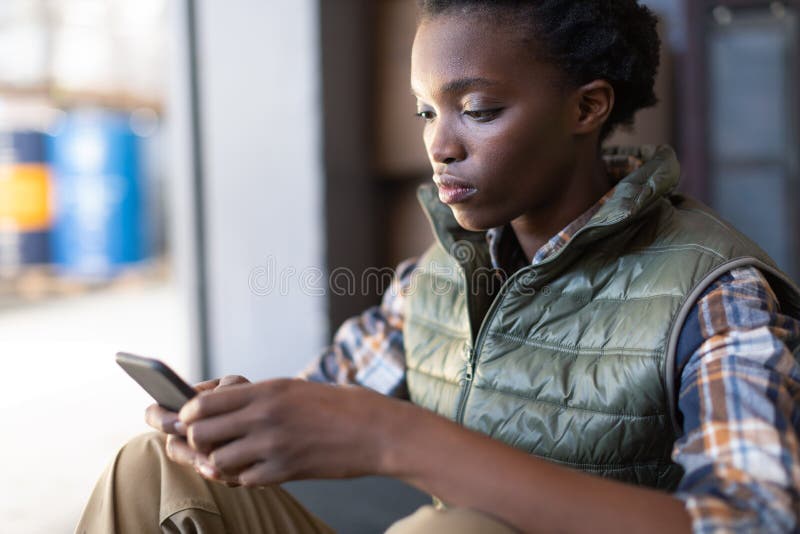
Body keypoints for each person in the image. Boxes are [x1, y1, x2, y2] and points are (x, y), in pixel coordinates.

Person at [77, 1, 800, 533]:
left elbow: (754, 525)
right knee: (152, 466)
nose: (440, 146)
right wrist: (241, 419)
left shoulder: (717, 293)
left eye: (477, 110)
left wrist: (402, 440)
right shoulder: (441, 272)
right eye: (426, 112)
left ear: (587, 108)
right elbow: (327, 398)